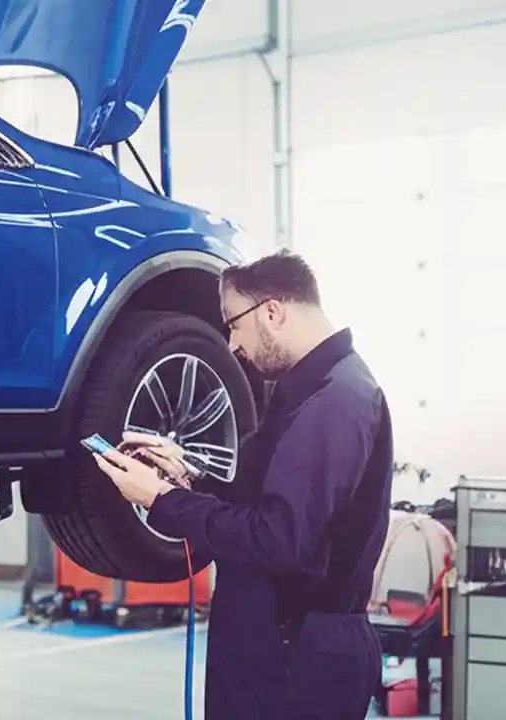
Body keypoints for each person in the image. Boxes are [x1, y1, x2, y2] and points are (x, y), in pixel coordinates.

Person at [92, 249, 393, 719]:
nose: (231, 344)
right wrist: (188, 476)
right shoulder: (304, 392)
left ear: (272, 312)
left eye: (233, 323)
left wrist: (163, 500)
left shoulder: (336, 402)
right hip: (277, 644)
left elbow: (279, 541)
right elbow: (266, 506)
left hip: (297, 660)